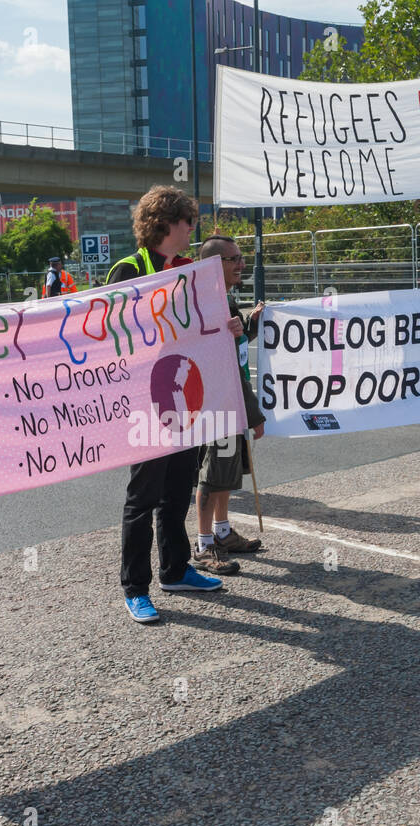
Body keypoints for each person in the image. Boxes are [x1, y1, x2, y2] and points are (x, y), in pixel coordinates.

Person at [107, 186, 223, 623]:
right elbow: (110, 332)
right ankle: (135, 587)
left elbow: (203, 324)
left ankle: (175, 569)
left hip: (182, 393)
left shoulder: (187, 269)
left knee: (177, 490)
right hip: (144, 401)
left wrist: (228, 323)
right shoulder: (128, 270)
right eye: (188, 220)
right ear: (166, 223)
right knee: (143, 496)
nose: (193, 228)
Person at [192, 235, 266, 573]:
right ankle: (204, 544)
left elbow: (234, 350)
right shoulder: (203, 305)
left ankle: (222, 534)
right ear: (213, 265)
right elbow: (207, 356)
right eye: (233, 258)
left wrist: (249, 325)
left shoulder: (226, 301)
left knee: (228, 472)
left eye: (241, 257)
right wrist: (252, 412)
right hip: (216, 405)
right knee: (211, 475)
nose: (241, 263)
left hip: (232, 402)